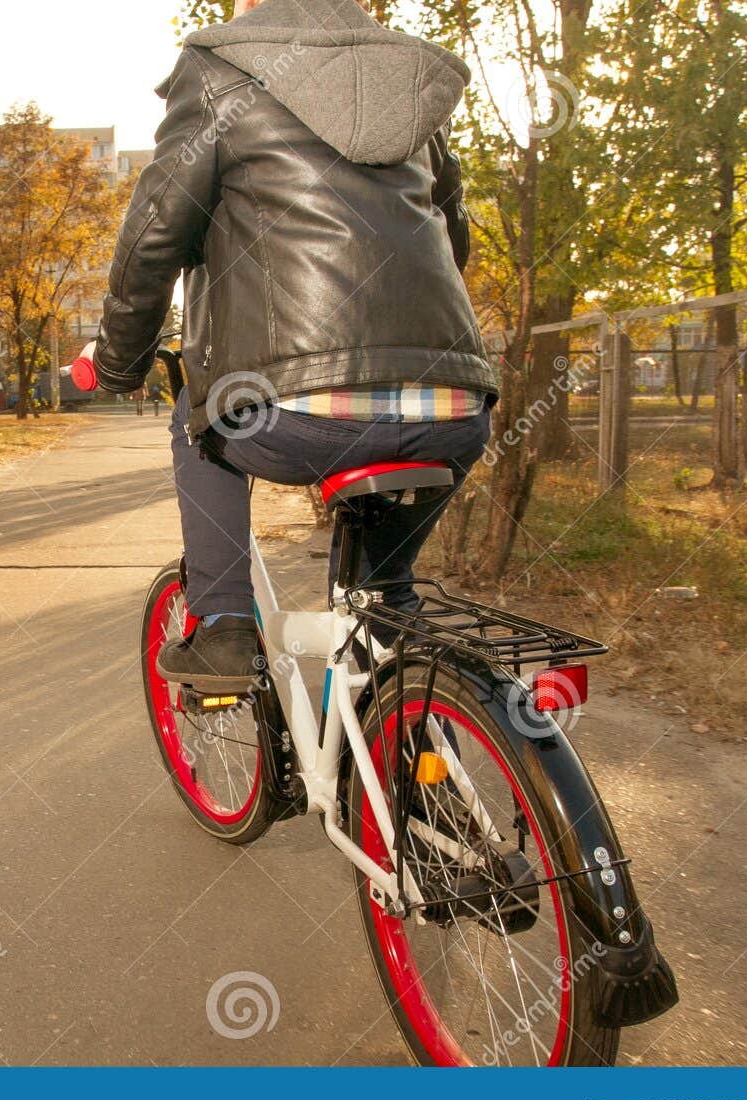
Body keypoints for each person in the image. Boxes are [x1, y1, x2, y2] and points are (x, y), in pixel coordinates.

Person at [80, 0, 497, 689]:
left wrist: (118, 363)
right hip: (454, 407)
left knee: (195, 420)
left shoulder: (219, 66)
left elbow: (154, 234)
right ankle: (396, 666)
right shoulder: (407, 73)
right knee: (379, 605)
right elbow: (453, 238)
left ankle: (223, 625)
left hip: (294, 417)